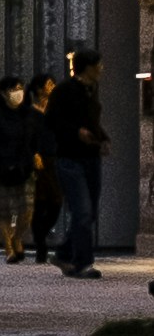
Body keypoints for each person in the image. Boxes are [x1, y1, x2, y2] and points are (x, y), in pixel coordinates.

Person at [46, 51, 107, 276]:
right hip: (69, 158)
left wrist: (102, 139)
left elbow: (92, 123)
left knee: (88, 213)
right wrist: (76, 132)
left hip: (91, 157)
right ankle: (83, 263)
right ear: (87, 67)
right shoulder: (64, 91)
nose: (101, 68)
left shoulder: (91, 92)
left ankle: (64, 254)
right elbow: (52, 121)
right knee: (82, 210)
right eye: (98, 64)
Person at [0, 71, 39, 262]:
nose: (18, 93)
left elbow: (34, 139)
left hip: (24, 167)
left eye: (20, 88)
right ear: (4, 93)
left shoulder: (28, 115)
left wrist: (36, 155)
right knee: (3, 211)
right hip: (1, 168)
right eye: (14, 89)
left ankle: (17, 237)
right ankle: (9, 249)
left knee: (27, 211)